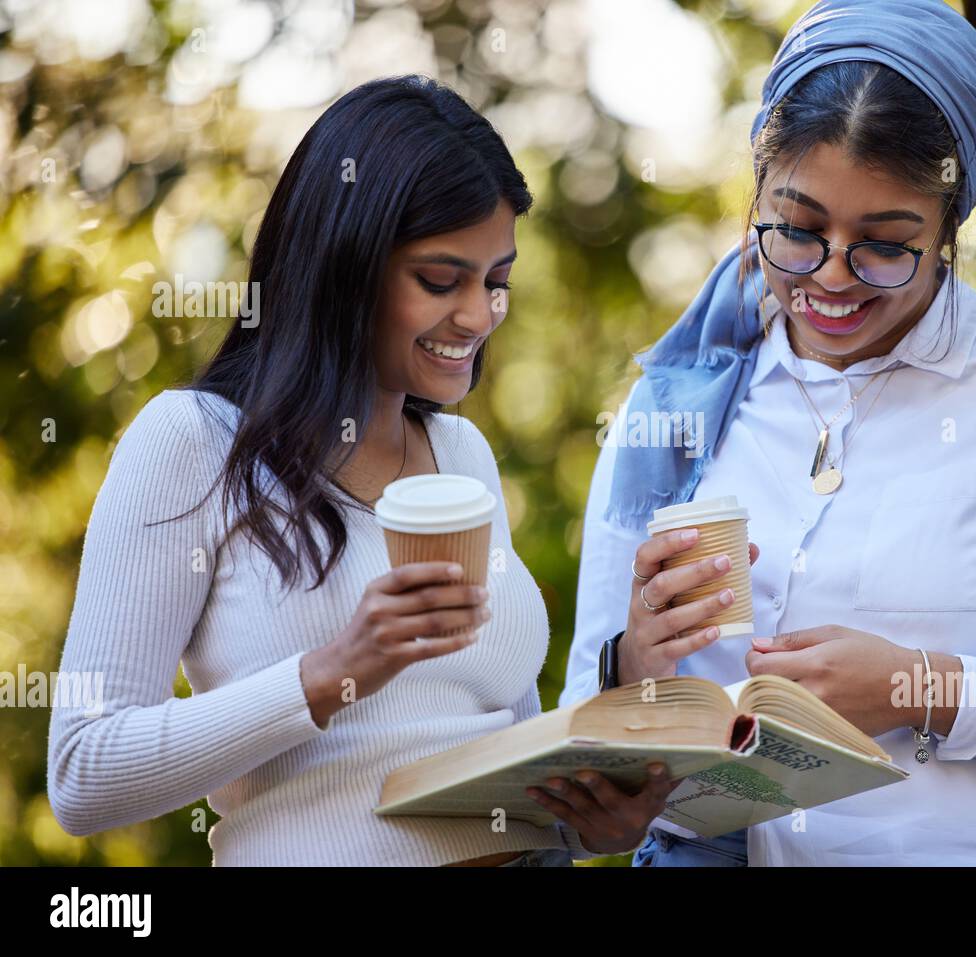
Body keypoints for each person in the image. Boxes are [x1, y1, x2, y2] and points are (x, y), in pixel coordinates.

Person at [562, 0, 976, 865]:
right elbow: (590, 807)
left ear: (952, 224)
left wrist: (931, 691)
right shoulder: (672, 414)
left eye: (885, 244)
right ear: (756, 192)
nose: (831, 278)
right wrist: (634, 680)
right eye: (797, 230)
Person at [46, 76, 723, 866]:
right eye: (441, 281)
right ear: (344, 266)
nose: (476, 316)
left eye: (495, 282)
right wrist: (335, 671)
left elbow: (507, 757)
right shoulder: (194, 443)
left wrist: (600, 816)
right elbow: (84, 773)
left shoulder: (460, 457)